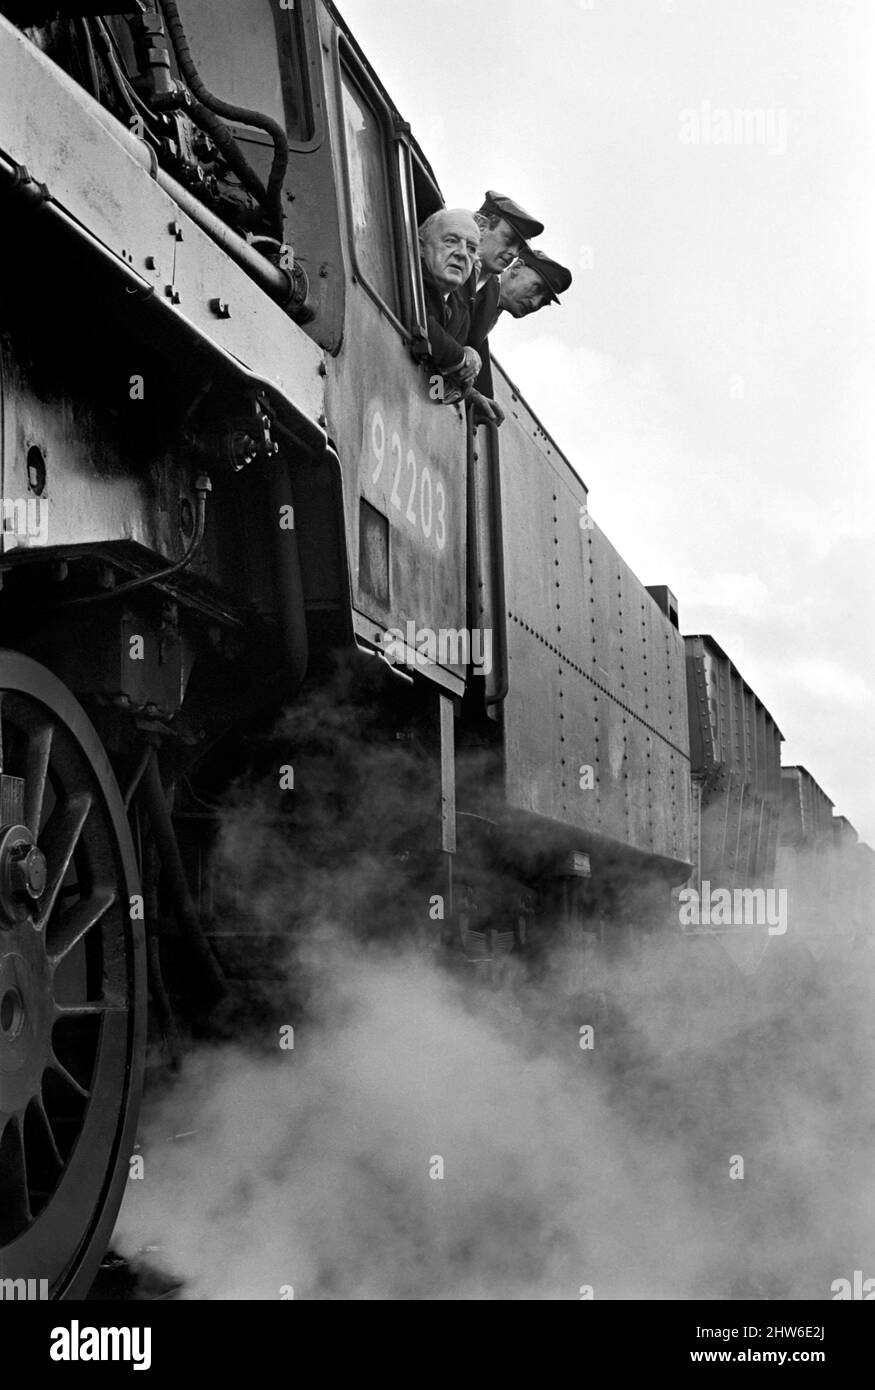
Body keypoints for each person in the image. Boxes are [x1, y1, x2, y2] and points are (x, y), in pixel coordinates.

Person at [418, 208, 483, 384]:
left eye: (471, 248)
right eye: (451, 241)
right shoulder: (407, 280)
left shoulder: (461, 313)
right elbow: (420, 324)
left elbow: (445, 384)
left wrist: (467, 385)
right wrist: (463, 358)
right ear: (421, 248)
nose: (462, 253)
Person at [498, 247, 573, 319]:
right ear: (517, 267)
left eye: (543, 302)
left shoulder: (493, 309)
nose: (535, 304)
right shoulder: (486, 287)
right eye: (536, 289)